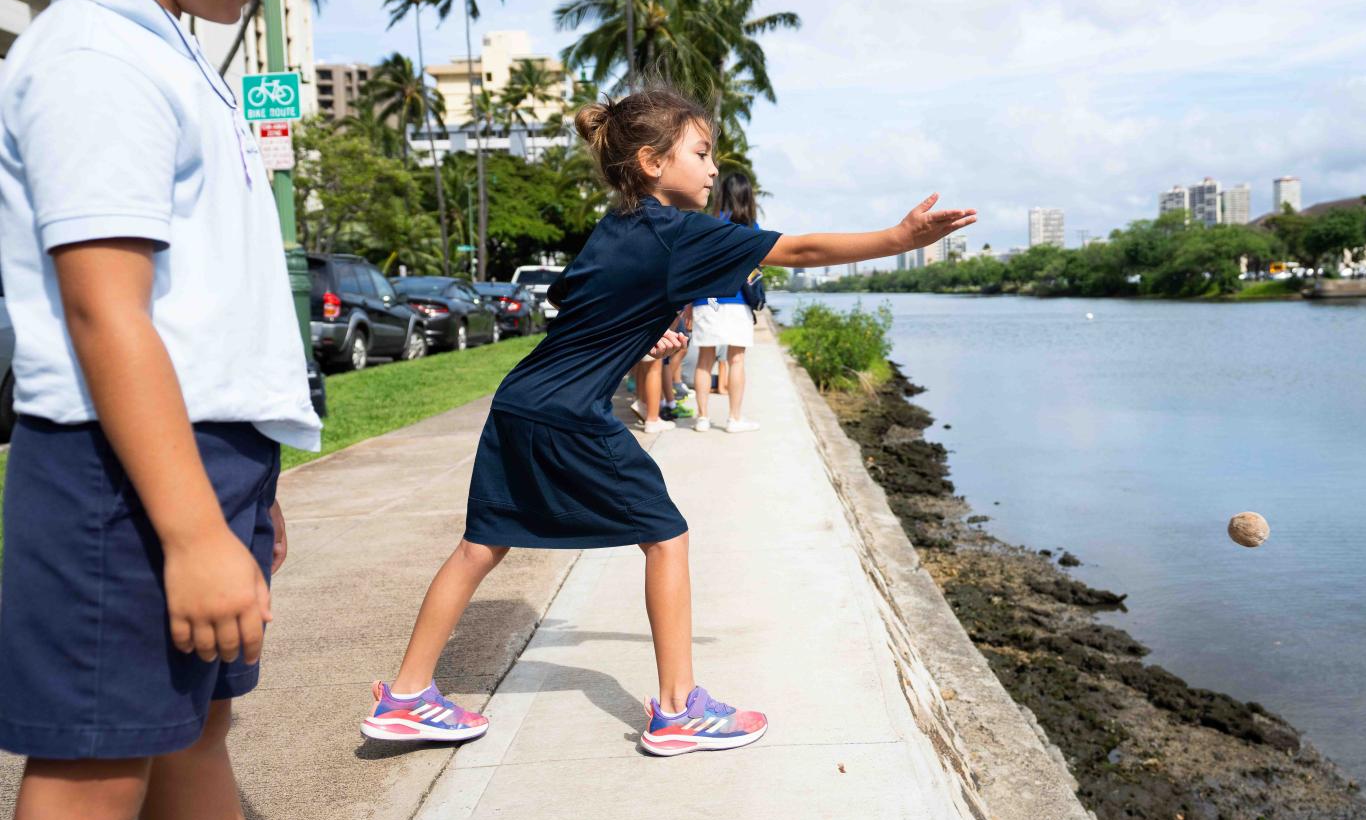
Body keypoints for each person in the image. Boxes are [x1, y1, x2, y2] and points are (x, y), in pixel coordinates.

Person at [359, 85, 974, 755]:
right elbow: (797, 251)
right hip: (567, 414)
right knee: (667, 535)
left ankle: (410, 696)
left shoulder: (618, 225)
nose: (713, 170)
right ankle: (679, 710)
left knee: (482, 544)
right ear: (653, 162)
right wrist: (898, 237)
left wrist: (639, 336)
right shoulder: (677, 231)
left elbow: (578, 301)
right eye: (702, 154)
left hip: (523, 400)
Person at [0, 0, 318, 820]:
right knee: (88, 788)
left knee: (192, 736)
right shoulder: (97, 56)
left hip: (187, 454)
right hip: (116, 478)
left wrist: (240, 477)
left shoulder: (158, 43)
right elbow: (105, 310)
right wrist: (188, 528)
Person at [688, 172, 762, 433]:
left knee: (704, 359)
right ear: (747, 195)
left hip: (706, 301)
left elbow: (695, 266)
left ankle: (703, 418)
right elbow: (757, 266)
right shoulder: (751, 228)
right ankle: (734, 419)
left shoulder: (707, 225)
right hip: (736, 300)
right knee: (737, 360)